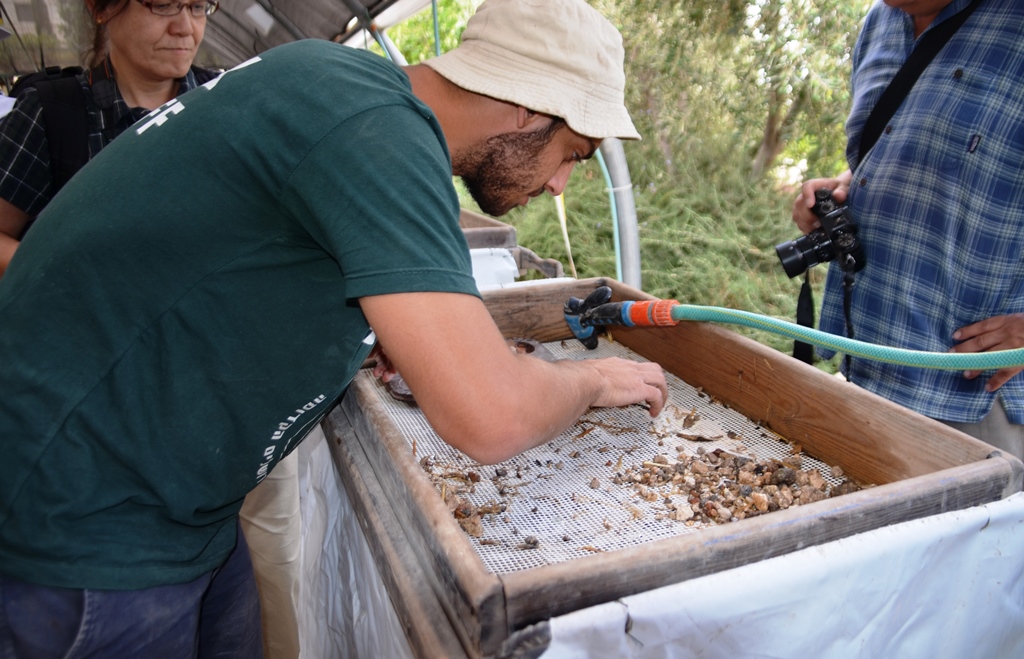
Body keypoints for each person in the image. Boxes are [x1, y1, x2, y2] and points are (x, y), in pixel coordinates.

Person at [0, 0, 668, 655]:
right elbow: (491, 415)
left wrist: (367, 336)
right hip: (82, 522)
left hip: (183, 510)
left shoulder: (339, 88)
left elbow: (243, 261)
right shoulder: (379, 128)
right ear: (527, 108)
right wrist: (587, 380)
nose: (559, 186)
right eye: (572, 154)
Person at [792, 0, 1024, 461]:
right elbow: (896, 147)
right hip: (864, 367)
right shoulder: (880, 22)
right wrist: (845, 186)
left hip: (973, 398)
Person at [0, 0, 218, 276]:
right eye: (163, 5)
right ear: (101, 9)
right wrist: (69, 277)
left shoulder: (226, 101)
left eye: (198, 6)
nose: (185, 28)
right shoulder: (52, 114)